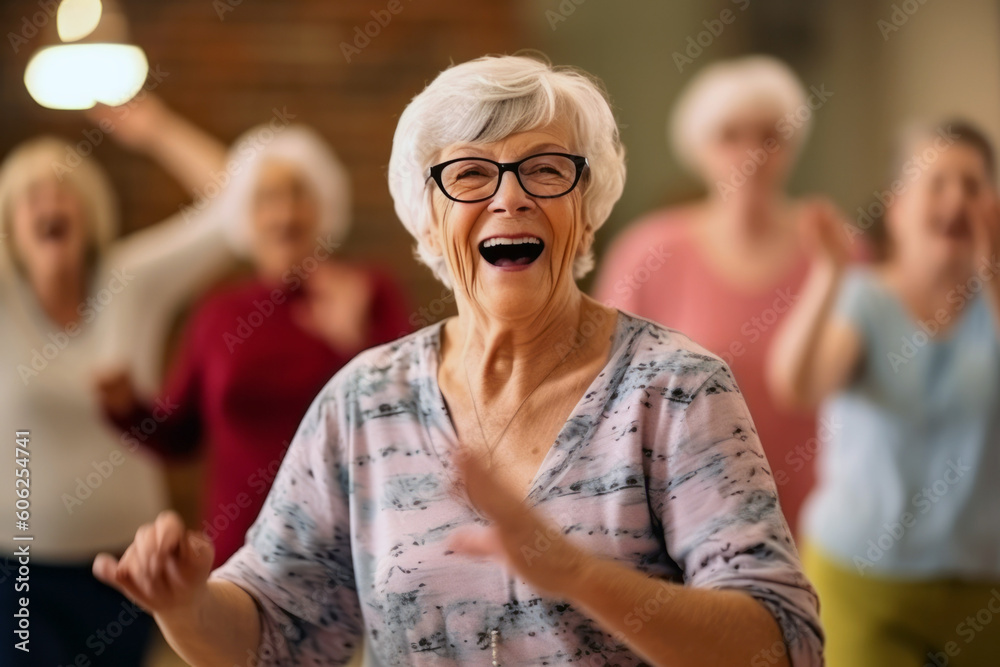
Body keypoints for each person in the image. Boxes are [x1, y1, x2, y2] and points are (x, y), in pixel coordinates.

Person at [93, 54, 823, 666]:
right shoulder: (364, 399)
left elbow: (781, 643)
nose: (510, 197)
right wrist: (185, 605)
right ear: (430, 219)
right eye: (470, 174)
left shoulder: (677, 390)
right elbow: (275, 628)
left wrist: (576, 573)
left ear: (588, 206)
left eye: (545, 170)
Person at [95, 124, 413, 569]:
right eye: (268, 198)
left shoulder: (369, 291)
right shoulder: (218, 313)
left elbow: (410, 415)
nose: (285, 213)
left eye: (299, 194)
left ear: (324, 205)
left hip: (353, 550)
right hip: (240, 555)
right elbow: (181, 434)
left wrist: (356, 341)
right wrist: (126, 407)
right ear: (245, 214)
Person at [0, 96, 235, 665]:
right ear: (9, 224)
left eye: (64, 191)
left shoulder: (130, 281)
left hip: (129, 567)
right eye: (32, 196)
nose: (50, 203)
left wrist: (156, 129)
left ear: (91, 212)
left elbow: (236, 208)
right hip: (19, 570)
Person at [592, 55, 863, 536]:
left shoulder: (839, 248)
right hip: (689, 513)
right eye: (730, 136)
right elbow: (608, 394)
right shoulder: (648, 252)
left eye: (770, 136)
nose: (752, 153)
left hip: (825, 517)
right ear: (697, 148)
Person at [767, 120, 1000, 666]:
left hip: (984, 583)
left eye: (972, 185)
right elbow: (799, 386)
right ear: (897, 208)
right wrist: (829, 274)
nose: (956, 200)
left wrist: (994, 278)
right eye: (936, 183)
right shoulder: (865, 298)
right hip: (860, 578)